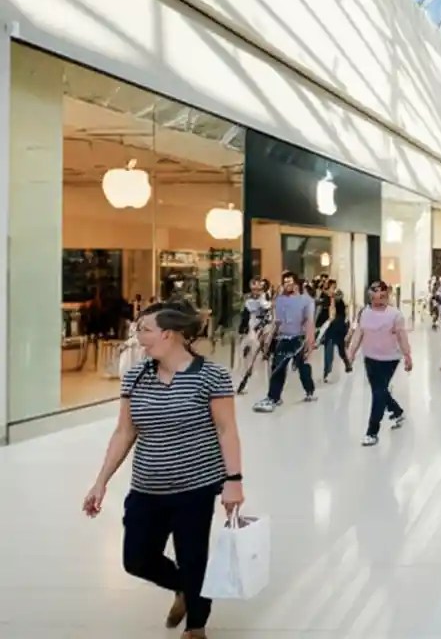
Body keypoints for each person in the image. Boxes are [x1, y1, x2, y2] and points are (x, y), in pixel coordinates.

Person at [83, 301, 244, 639]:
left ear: (168, 335)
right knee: (136, 559)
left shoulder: (211, 375)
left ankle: (196, 626)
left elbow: (227, 430)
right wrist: (100, 482)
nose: (137, 336)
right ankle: (185, 589)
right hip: (147, 487)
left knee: (192, 556)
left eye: (144, 330)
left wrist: (233, 482)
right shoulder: (136, 376)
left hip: (195, 487)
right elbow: (125, 431)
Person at [345, 280, 412, 446]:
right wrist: (351, 352)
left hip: (390, 359)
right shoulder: (365, 313)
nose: (380, 298)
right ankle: (397, 411)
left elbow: (402, 336)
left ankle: (372, 431)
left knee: (378, 392)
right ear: (370, 296)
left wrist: (407, 355)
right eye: (376, 295)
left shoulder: (395, 315)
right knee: (380, 390)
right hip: (370, 357)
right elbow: (359, 333)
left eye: (383, 295)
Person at [253, 271, 316, 412]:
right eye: (285, 282)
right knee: (278, 368)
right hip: (283, 338)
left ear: (296, 283)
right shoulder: (280, 300)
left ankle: (309, 390)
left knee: (303, 367)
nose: (288, 285)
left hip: (299, 338)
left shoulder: (307, 301)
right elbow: (277, 321)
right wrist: (268, 340)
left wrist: (309, 343)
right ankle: (273, 397)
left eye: (290, 282)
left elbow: (310, 323)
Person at [319, 279, 353, 382]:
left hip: (339, 327)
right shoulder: (325, 299)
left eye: (334, 287)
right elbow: (323, 313)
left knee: (341, 348)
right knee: (328, 350)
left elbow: (344, 312)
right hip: (330, 328)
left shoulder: (339, 298)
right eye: (331, 288)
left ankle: (347, 362)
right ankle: (326, 372)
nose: (333, 290)